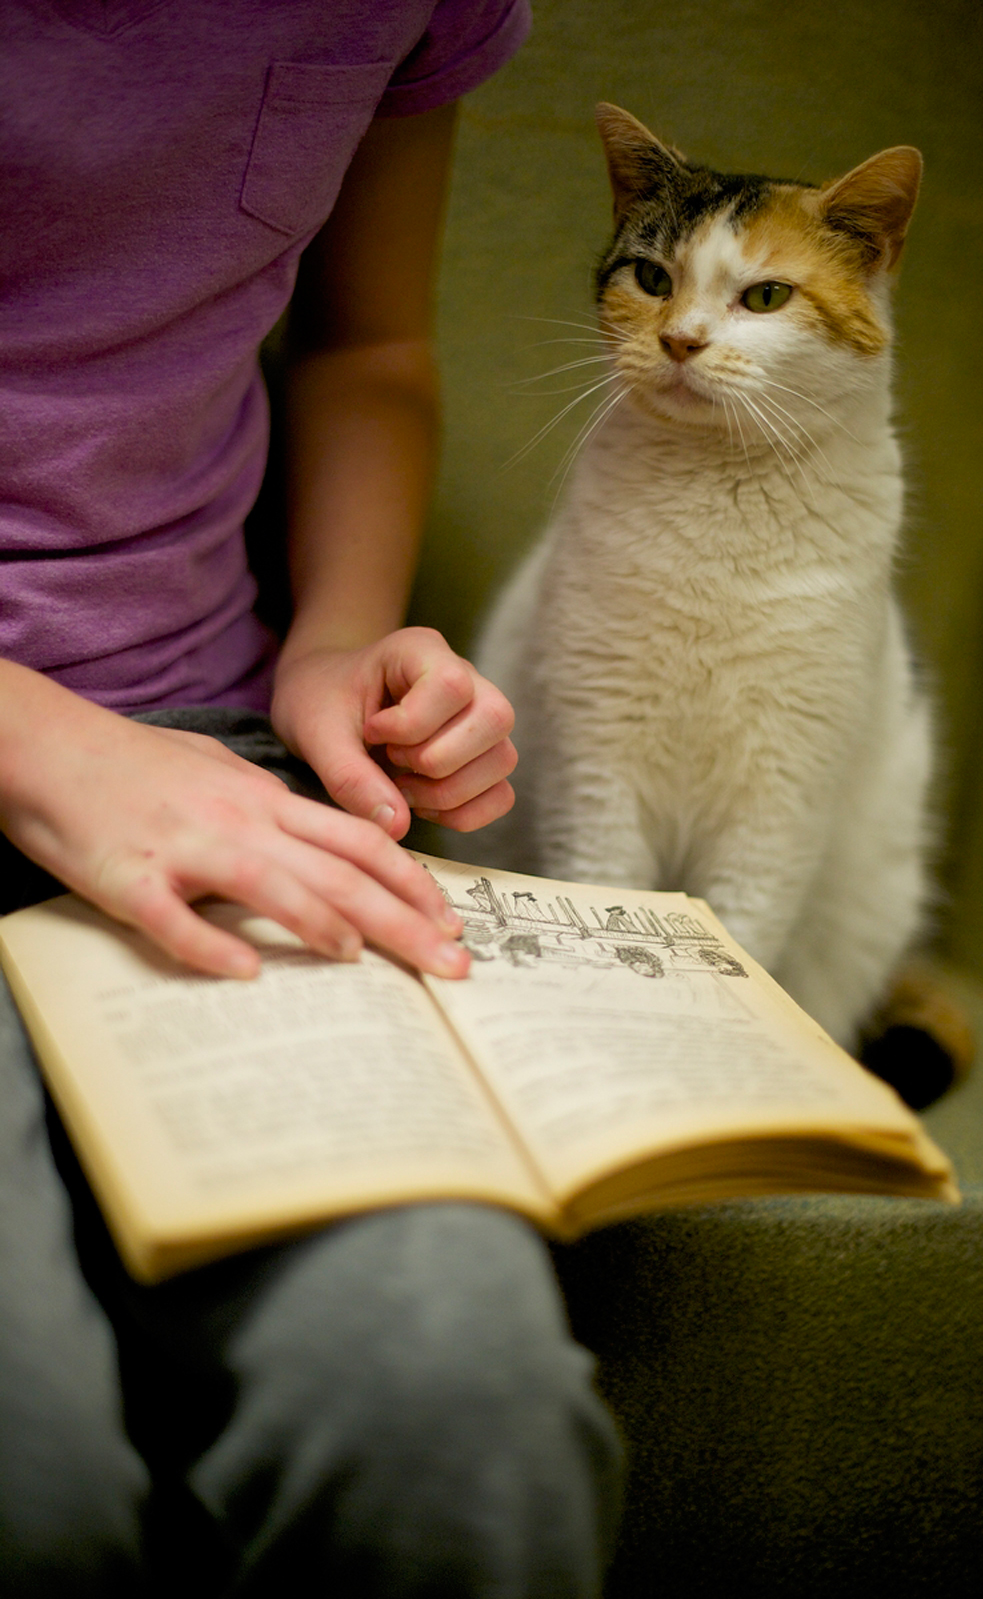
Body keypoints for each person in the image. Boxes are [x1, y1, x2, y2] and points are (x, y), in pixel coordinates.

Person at [0, 4, 622, 1593]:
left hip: (212, 757)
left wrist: (334, 643)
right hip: (116, 774)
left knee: (452, 1414)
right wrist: (52, 750)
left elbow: (368, 346)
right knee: (35, 1481)